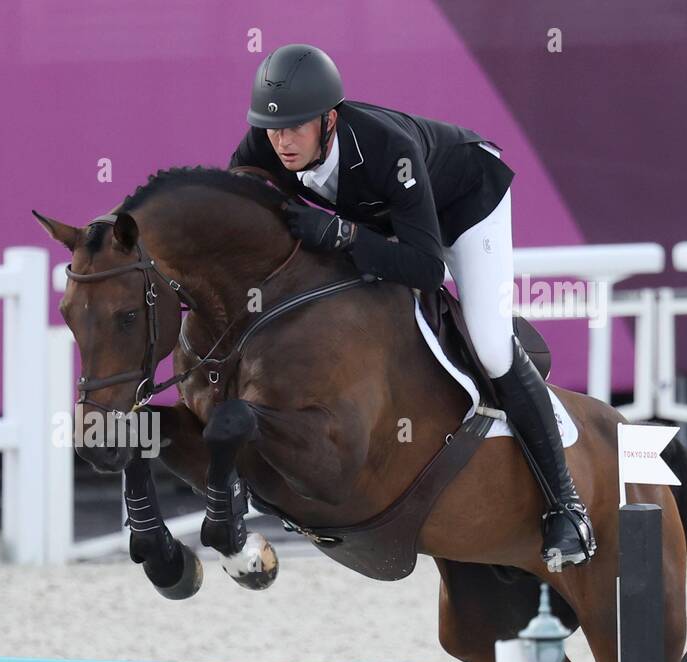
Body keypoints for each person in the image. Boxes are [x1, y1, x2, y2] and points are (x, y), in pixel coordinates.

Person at [230, 44, 595, 569]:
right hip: (398, 222)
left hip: (467, 206)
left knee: (491, 347)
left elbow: (427, 268)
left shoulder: (385, 147)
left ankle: (567, 506)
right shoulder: (264, 143)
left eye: (296, 128)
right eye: (273, 129)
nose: (282, 141)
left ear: (329, 120)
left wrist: (342, 233)